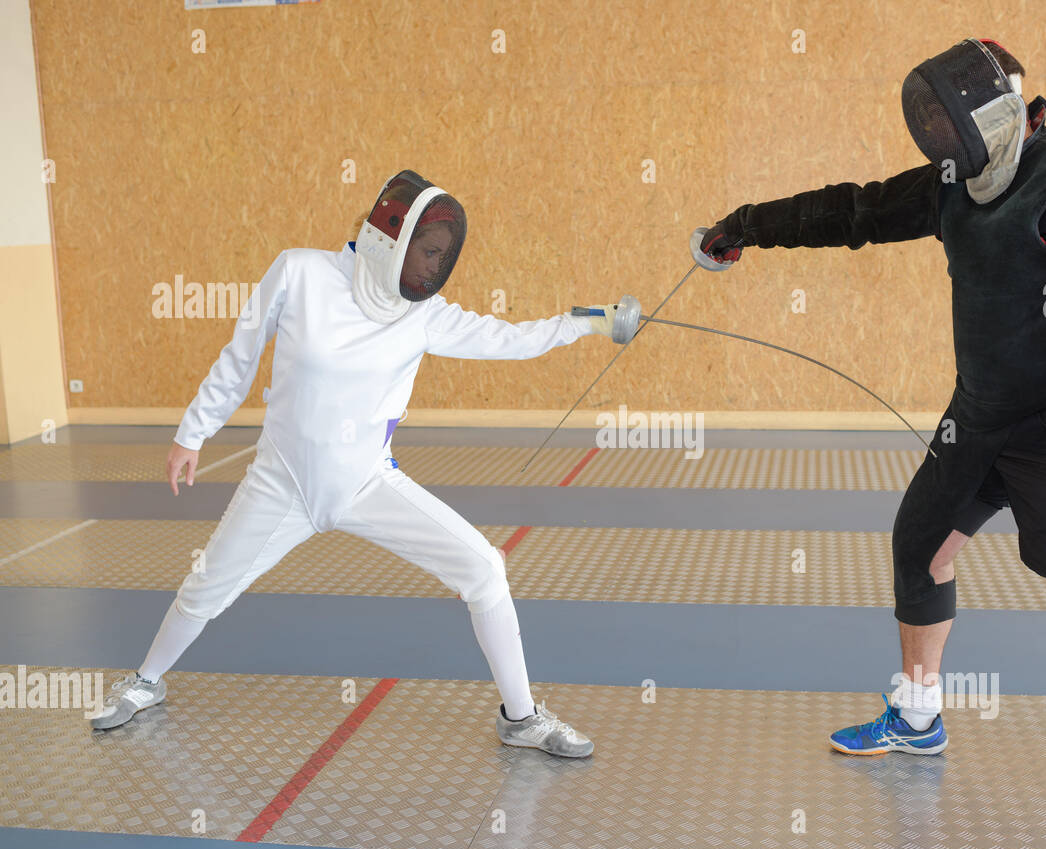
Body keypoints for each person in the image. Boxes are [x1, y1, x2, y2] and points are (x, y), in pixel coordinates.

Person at [695, 40, 1046, 796]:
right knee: (920, 546)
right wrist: (748, 222)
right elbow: (856, 209)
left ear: (1001, 111)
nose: (943, 143)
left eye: (953, 128)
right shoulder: (956, 181)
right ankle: (918, 715)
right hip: (977, 415)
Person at [88, 169, 636, 758]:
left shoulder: (423, 315)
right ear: (391, 239)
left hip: (367, 484)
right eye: (426, 252)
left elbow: (511, 338)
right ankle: (145, 681)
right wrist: (192, 433)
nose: (432, 268)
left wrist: (592, 320)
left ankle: (521, 719)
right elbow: (240, 356)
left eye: (441, 256)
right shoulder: (299, 272)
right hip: (282, 483)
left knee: (484, 568)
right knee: (205, 590)